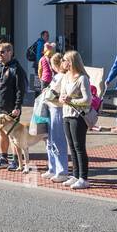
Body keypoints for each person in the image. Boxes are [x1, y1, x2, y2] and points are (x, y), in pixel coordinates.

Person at [0, 41, 28, 170]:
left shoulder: (17, 69)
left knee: (13, 135)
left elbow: (20, 90)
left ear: (10, 52)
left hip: (11, 108)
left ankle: (15, 160)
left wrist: (17, 107)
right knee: (1, 133)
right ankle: (3, 158)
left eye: (2, 52)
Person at [54, 50, 94, 189]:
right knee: (71, 146)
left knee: (79, 147)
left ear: (71, 62)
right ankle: (76, 175)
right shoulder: (65, 77)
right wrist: (62, 98)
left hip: (78, 116)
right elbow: (61, 96)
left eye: (65, 59)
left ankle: (84, 178)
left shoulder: (82, 78)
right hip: (66, 113)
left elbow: (88, 100)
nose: (62, 62)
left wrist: (71, 100)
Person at [41, 52, 72, 182]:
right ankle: (52, 168)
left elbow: (55, 94)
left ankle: (62, 170)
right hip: (50, 108)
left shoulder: (62, 77)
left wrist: (47, 93)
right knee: (50, 140)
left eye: (53, 64)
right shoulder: (57, 76)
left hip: (57, 109)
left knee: (58, 140)